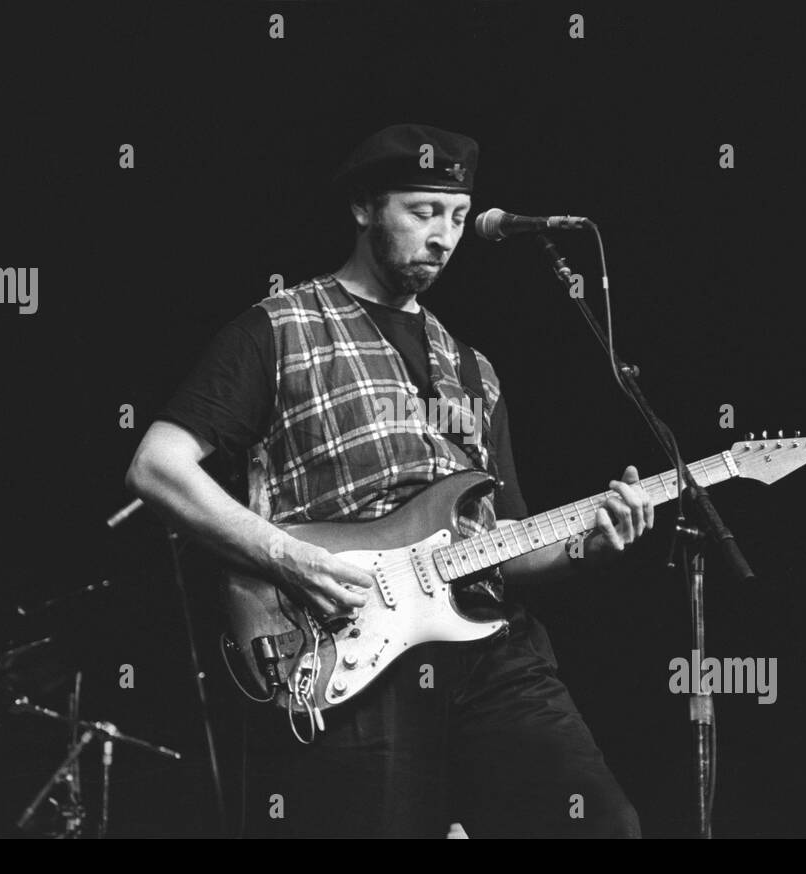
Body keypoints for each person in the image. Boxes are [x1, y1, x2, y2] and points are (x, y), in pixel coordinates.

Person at [126, 124, 652, 837]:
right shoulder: (279, 328)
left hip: (489, 645)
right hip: (349, 636)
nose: (445, 236)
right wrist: (286, 556)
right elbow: (157, 465)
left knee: (602, 825)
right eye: (424, 211)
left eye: (459, 218)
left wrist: (593, 542)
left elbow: (512, 545)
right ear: (365, 207)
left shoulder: (474, 369)